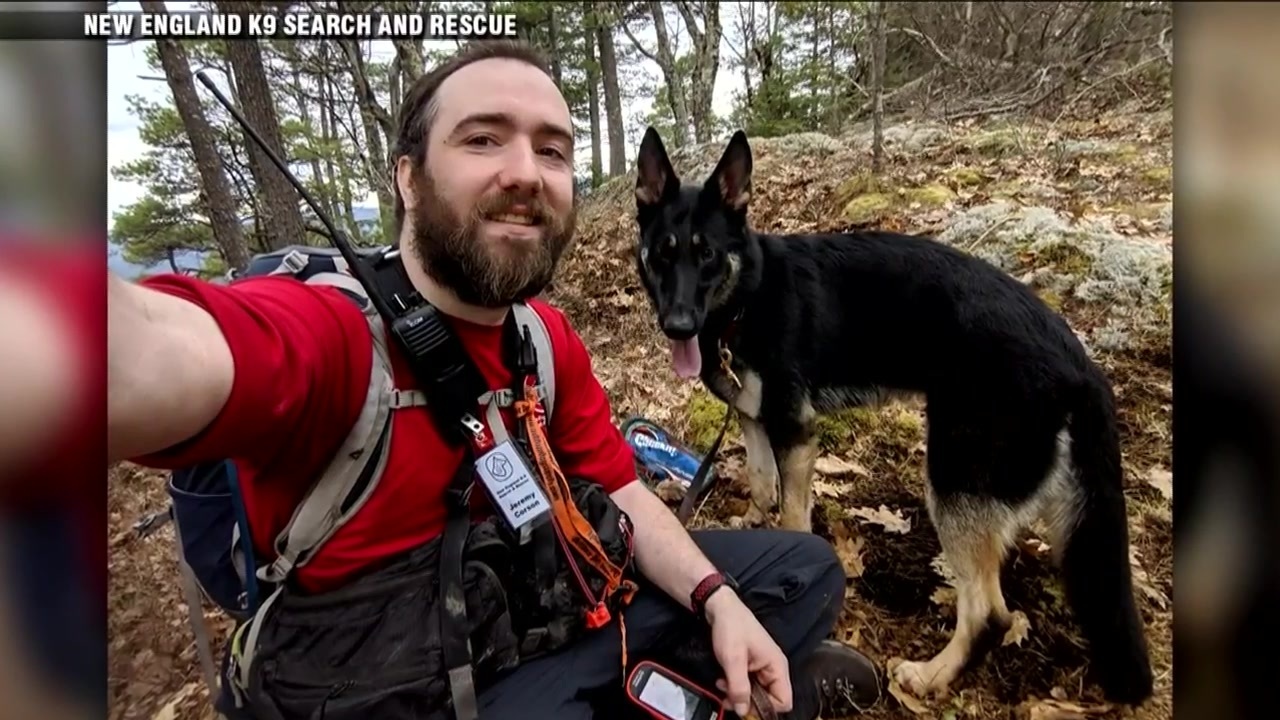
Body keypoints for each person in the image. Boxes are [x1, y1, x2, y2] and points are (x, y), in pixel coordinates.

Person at [106, 40, 882, 719]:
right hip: (394, 683)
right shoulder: (333, 336)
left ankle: (687, 685)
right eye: (482, 139)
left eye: (552, 150)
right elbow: (139, 351)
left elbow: (621, 489)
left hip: (530, 606)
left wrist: (717, 601)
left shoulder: (541, 341)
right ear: (408, 179)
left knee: (799, 570)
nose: (525, 172)